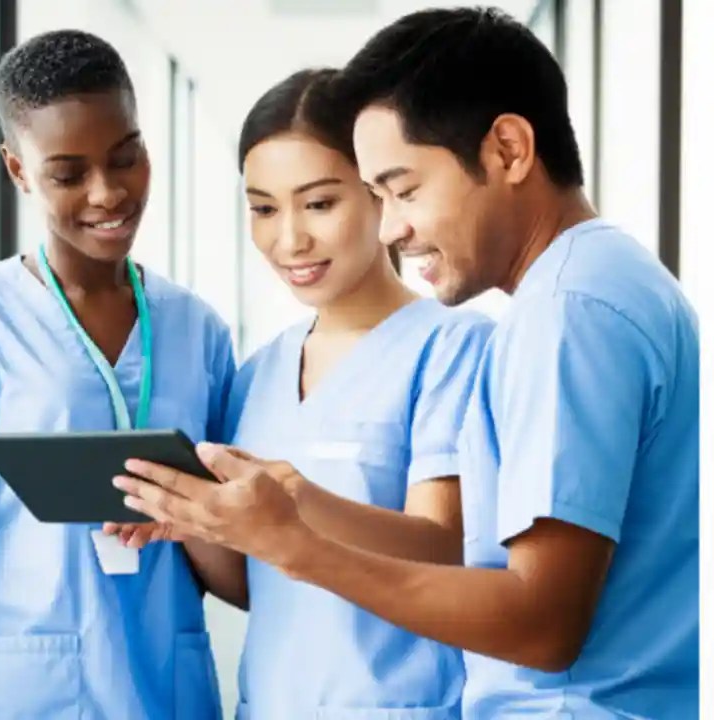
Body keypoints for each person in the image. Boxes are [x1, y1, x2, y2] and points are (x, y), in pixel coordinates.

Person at [114, 8, 699, 719]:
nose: (393, 227)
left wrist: (298, 541)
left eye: (404, 189)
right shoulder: (598, 285)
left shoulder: (566, 312)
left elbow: (541, 622)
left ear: (509, 149)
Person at [0, 29, 233, 719]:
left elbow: (232, 555)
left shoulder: (199, 330)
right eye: (69, 173)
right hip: (17, 696)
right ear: (18, 170)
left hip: (165, 690)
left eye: (126, 158)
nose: (108, 192)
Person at [113, 68, 492, 719]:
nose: (289, 240)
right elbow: (254, 584)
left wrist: (295, 501)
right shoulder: (257, 373)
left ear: (381, 194)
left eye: (319, 203)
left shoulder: (454, 349)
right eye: (263, 208)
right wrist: (194, 524)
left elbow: (445, 550)